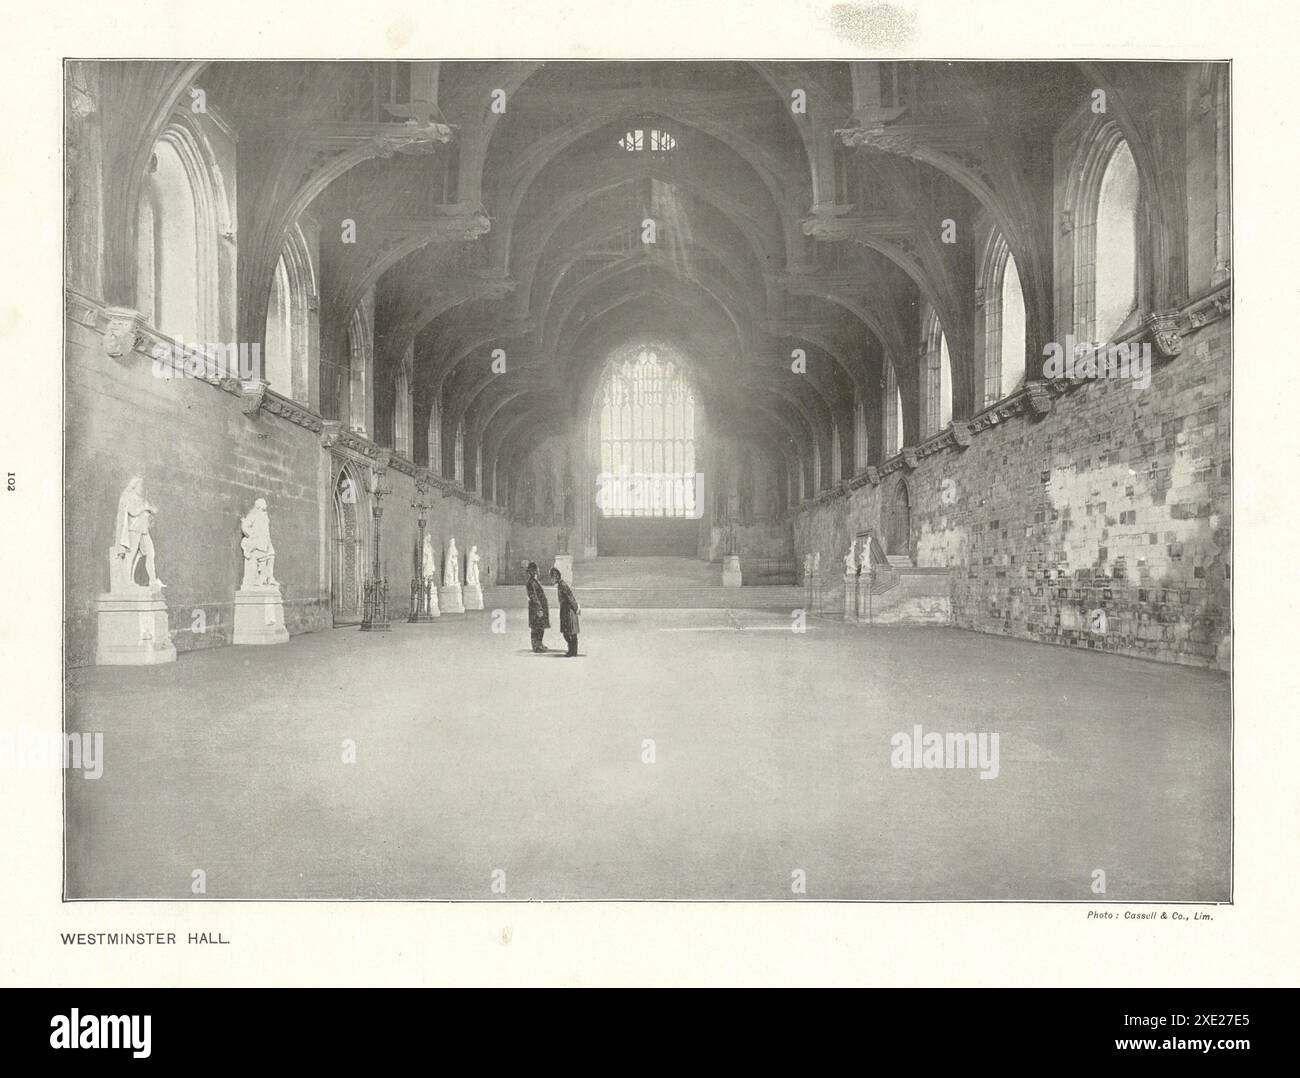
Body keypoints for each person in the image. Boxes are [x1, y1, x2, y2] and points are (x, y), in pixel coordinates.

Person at [551, 566, 581, 657]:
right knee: (567, 632)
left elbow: (570, 597)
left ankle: (572, 651)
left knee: (569, 632)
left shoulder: (562, 585)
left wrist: (576, 608)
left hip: (569, 611)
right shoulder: (561, 584)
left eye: (552, 577)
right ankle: (572, 650)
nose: (551, 580)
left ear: (556, 577)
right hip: (565, 611)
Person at [525, 561, 550, 652]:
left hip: (540, 607)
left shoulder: (535, 581)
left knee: (541, 626)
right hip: (536, 608)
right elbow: (533, 597)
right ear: (534, 571)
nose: (538, 571)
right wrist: (539, 608)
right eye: (536, 569)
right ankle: (536, 646)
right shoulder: (531, 582)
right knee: (536, 627)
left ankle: (540, 644)